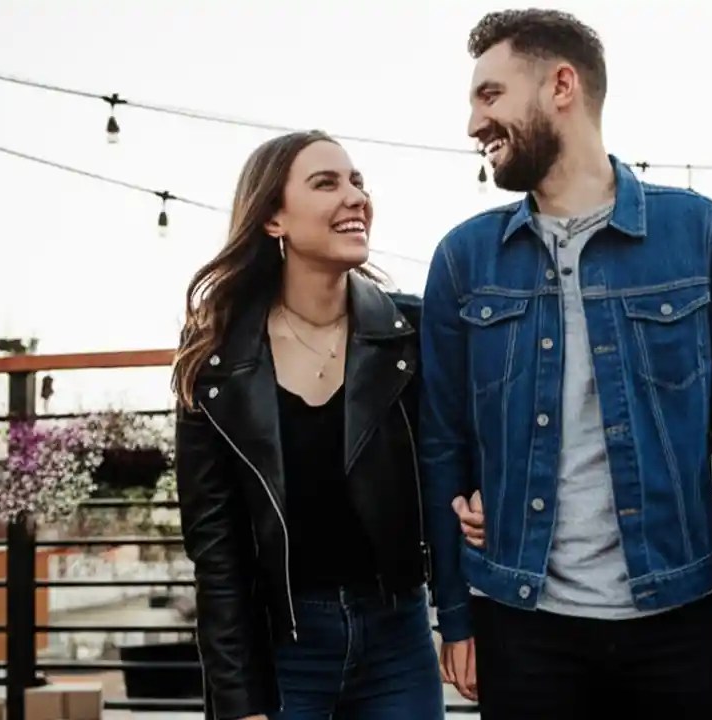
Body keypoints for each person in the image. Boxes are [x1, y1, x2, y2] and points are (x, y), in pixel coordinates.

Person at [419, 9, 712, 718]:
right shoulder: (464, 259)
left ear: (562, 85)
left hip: (679, 616)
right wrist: (457, 613)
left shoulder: (700, 233)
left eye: (490, 95)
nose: (473, 122)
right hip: (521, 625)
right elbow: (444, 446)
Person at [172, 130, 443, 720]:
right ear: (274, 219)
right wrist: (238, 699)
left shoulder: (411, 334)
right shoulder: (218, 359)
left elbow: (456, 464)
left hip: (399, 639)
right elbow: (216, 553)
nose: (355, 197)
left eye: (357, 182)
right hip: (283, 650)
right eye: (327, 183)